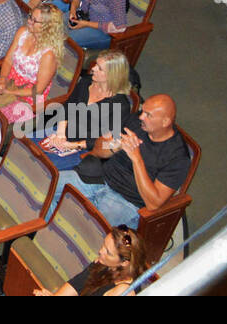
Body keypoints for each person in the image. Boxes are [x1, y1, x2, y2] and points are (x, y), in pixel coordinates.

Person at [46, 94, 191, 229]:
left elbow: (153, 203)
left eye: (148, 115)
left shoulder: (178, 158)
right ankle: (46, 233)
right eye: (142, 110)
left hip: (126, 201)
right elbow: (97, 151)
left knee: (83, 228)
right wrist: (114, 145)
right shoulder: (135, 122)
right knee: (45, 186)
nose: (141, 116)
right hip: (98, 178)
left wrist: (137, 159)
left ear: (165, 121)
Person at [39, 49, 136, 172]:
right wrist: (60, 134)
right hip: (62, 133)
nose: (93, 68)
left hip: (85, 149)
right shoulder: (86, 81)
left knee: (44, 169)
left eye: (99, 68)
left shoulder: (121, 106)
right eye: (96, 64)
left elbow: (108, 142)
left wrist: (73, 145)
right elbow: (67, 107)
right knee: (26, 148)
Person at [0, 3, 66, 128]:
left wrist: (8, 91)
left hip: (28, 96)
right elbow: (9, 60)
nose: (29, 21)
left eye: (34, 20)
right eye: (30, 16)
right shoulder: (22, 32)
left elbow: (38, 90)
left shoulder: (48, 54)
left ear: (47, 27)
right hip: (9, 81)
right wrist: (2, 81)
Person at [35, 227, 146, 296]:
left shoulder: (124, 292)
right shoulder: (103, 263)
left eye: (108, 252)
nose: (100, 251)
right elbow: (76, 285)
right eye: (104, 245)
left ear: (124, 263)